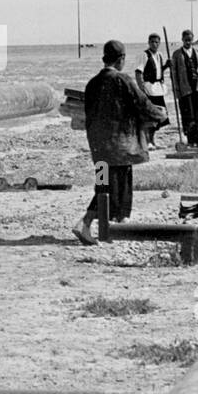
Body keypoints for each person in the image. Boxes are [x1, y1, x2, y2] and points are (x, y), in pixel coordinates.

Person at [71, 39, 166, 245]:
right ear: (121, 59)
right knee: (117, 185)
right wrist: (160, 115)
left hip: (98, 147)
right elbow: (142, 103)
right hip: (121, 148)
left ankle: (111, 226)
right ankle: (89, 222)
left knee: (103, 184)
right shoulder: (123, 80)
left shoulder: (92, 83)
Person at [170, 29, 198, 145]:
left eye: (190, 40)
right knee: (188, 115)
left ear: (193, 40)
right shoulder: (177, 54)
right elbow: (174, 74)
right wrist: (176, 90)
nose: (188, 42)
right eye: (186, 40)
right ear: (182, 40)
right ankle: (190, 139)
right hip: (185, 89)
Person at [136, 33, 169, 149]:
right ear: (148, 43)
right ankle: (148, 141)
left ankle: (153, 140)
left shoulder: (159, 55)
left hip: (158, 89)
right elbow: (138, 73)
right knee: (150, 116)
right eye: (152, 42)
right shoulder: (144, 55)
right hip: (149, 88)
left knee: (160, 116)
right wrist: (142, 90)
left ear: (159, 43)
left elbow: (158, 71)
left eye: (156, 42)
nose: (154, 44)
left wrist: (166, 66)